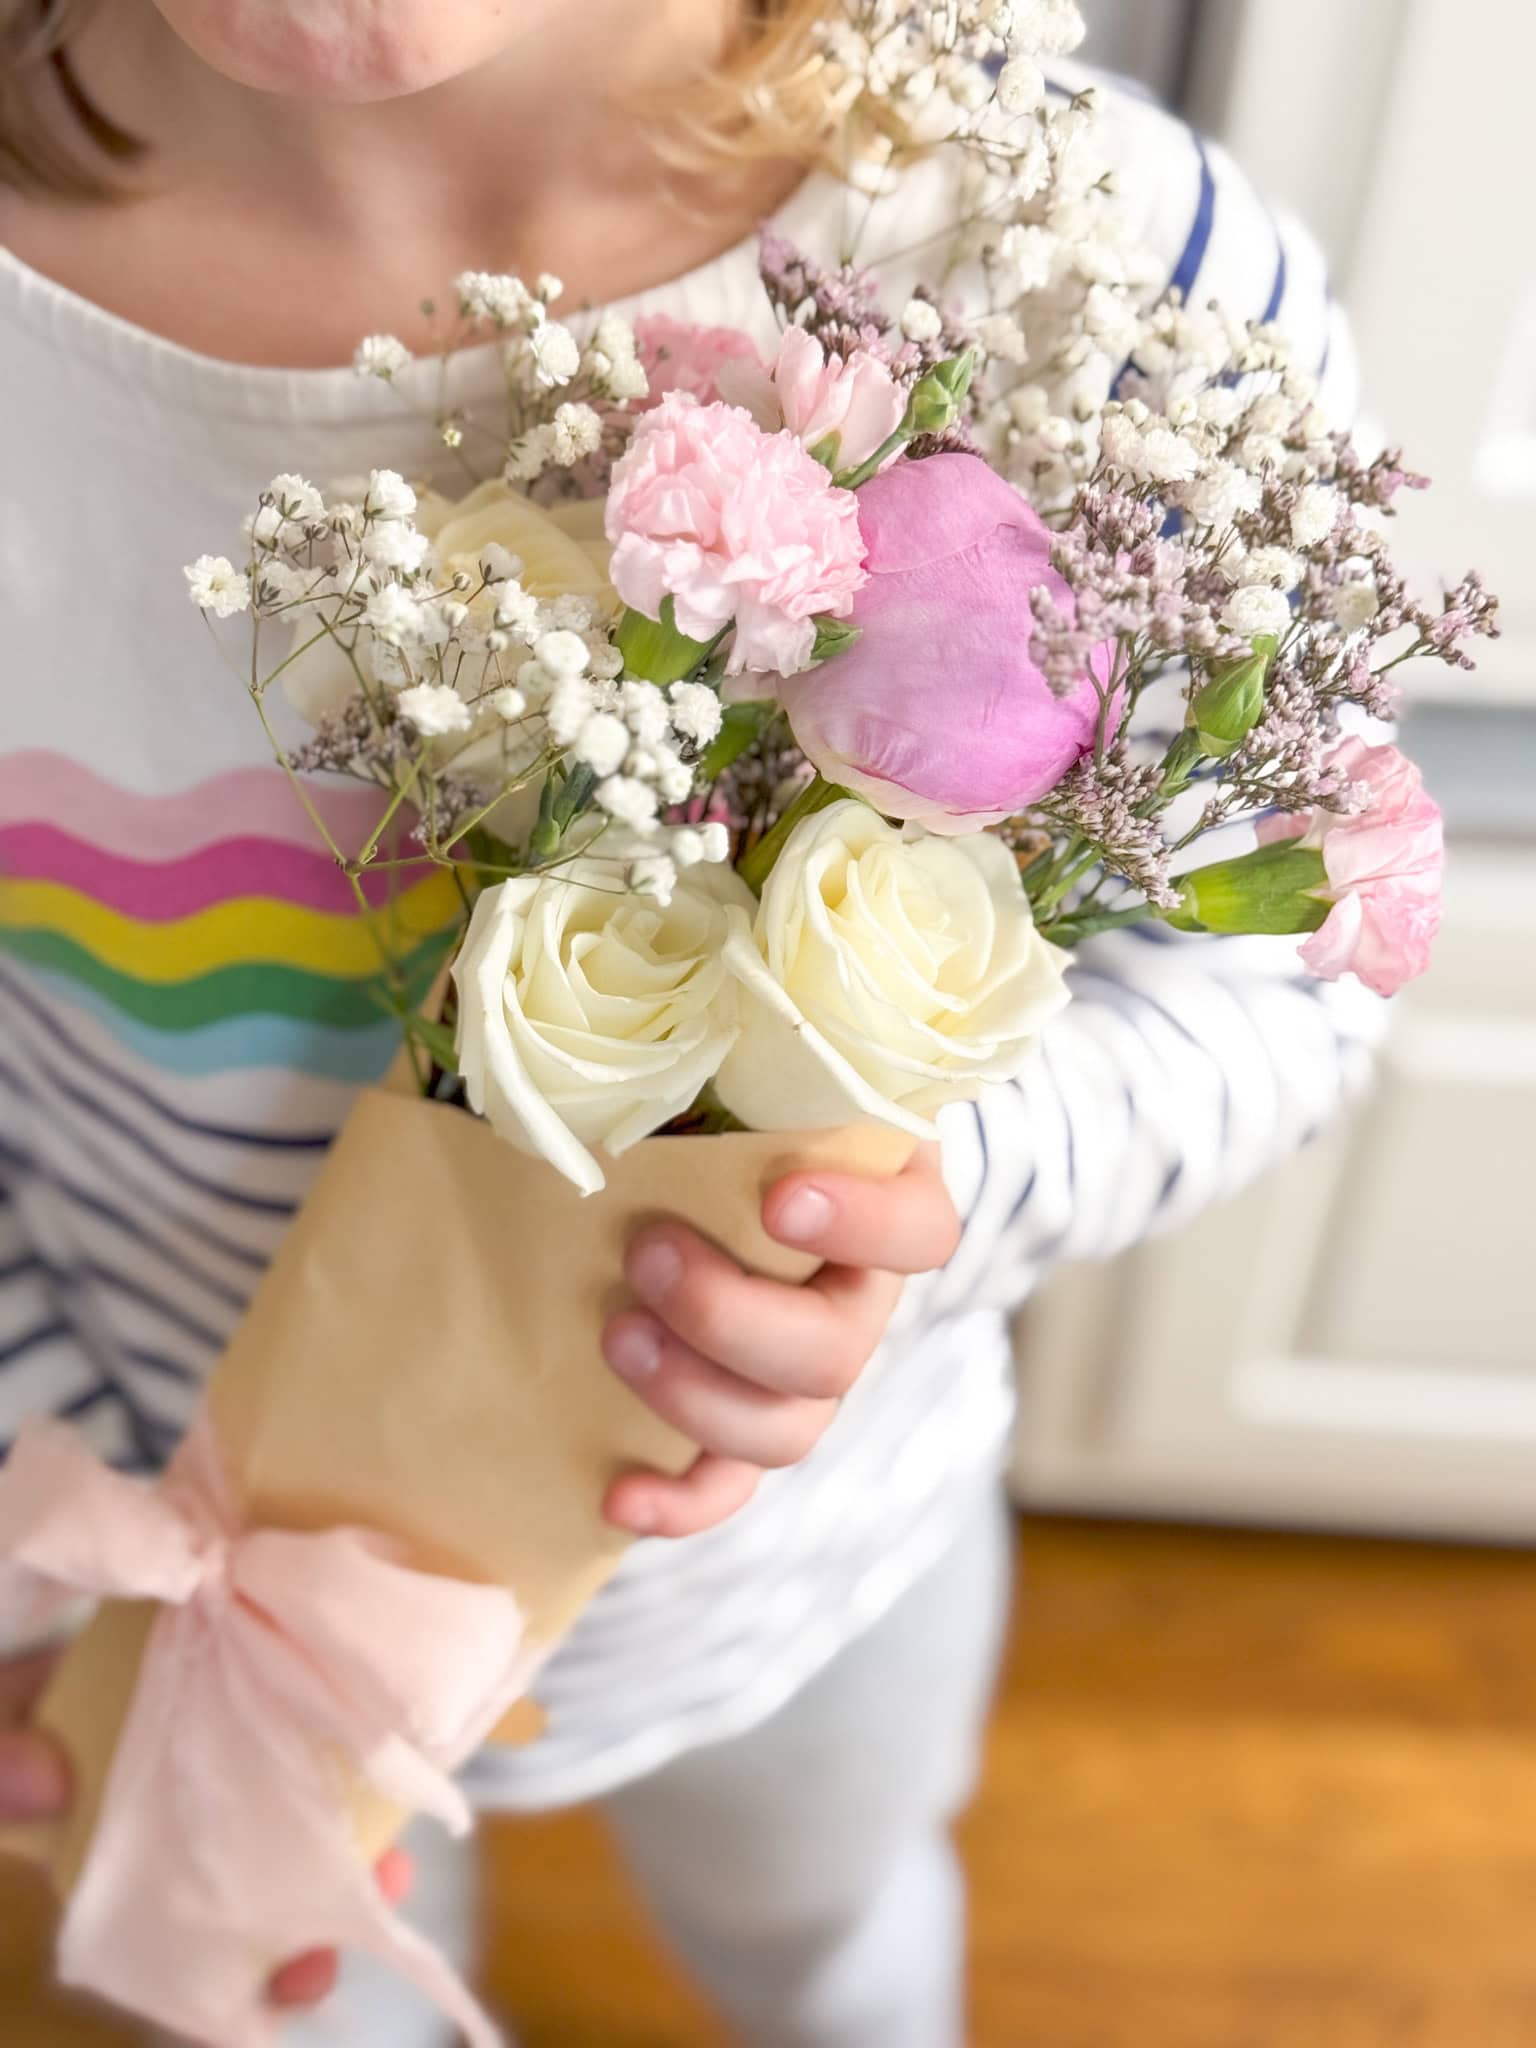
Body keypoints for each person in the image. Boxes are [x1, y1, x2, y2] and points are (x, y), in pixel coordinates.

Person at [0, 4, 1381, 2044]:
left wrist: (919, 1185)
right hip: (166, 1582)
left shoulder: (1101, 267)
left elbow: (1276, 968)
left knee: (830, 1945)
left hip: (803, 1581)